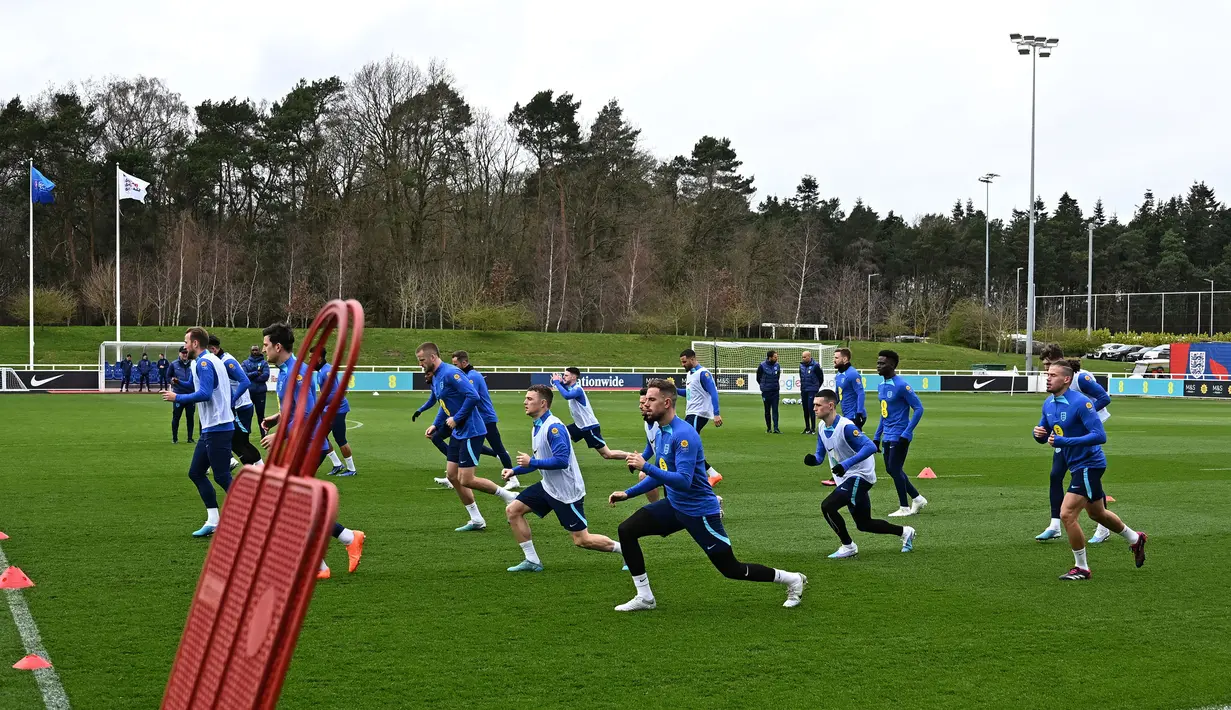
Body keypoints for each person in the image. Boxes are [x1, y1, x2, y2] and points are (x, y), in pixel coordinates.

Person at [608, 379, 806, 611]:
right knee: (627, 530)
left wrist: (645, 467)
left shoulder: (684, 435)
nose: (645, 405)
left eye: (651, 400)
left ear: (667, 402)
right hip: (675, 506)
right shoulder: (660, 431)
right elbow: (662, 474)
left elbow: (683, 481)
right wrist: (628, 494)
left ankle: (792, 579)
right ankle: (645, 597)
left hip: (699, 512)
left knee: (731, 569)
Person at [259, 322, 366, 580]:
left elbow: (307, 412)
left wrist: (280, 433)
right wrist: (277, 418)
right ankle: (344, 542)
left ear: (278, 346)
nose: (263, 351)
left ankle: (330, 555)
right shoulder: (286, 371)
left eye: (265, 346)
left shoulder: (298, 373)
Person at [1034, 361, 1147, 581]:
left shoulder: (1081, 403)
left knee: (1067, 514)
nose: (1048, 378)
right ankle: (1135, 538)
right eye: (1047, 374)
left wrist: (1065, 441)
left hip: (1088, 464)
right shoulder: (1048, 403)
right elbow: (1044, 434)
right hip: (1077, 463)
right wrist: (1037, 434)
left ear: (1066, 379)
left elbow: (1100, 436)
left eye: (1053, 375)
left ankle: (1082, 567)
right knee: (1097, 513)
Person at [500, 385, 624, 572]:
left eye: (529, 399)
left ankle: (626, 550)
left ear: (543, 403)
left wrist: (531, 462)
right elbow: (538, 461)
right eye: (525, 398)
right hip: (548, 486)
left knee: (582, 540)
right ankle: (532, 561)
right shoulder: (538, 425)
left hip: (567, 492)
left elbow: (561, 461)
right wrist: (515, 471)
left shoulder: (553, 427)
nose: (525, 402)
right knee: (513, 510)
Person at [417, 342, 518, 531]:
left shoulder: (449, 373)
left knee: (466, 479)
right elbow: (443, 403)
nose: (420, 364)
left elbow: (473, 396)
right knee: (452, 476)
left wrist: (456, 418)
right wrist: (436, 424)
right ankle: (476, 519)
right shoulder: (438, 376)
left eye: (422, 360)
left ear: (432, 357)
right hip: (459, 431)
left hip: (472, 430)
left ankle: (508, 496)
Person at [804, 390, 915, 558]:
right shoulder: (821, 427)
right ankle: (905, 532)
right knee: (864, 524)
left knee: (828, 506)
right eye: (814, 405)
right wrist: (813, 460)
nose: (814, 408)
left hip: (860, 475)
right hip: (846, 477)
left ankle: (848, 546)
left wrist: (846, 464)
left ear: (831, 406)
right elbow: (821, 454)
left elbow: (870, 446)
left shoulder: (846, 427)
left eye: (818, 405)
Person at [1036, 344, 1115, 543]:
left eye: (1048, 365)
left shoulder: (1081, 378)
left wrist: (1080, 417)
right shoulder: (1053, 391)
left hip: (1085, 434)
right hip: (1066, 434)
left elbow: (1104, 398)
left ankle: (1103, 526)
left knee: (1088, 476)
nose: (1046, 371)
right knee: (1056, 475)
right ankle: (1055, 525)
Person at [162, 328, 235, 538]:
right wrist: (179, 387)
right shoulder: (208, 361)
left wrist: (177, 398)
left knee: (222, 477)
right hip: (213, 427)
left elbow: (203, 394)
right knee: (196, 472)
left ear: (195, 343)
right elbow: (200, 388)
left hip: (218, 427)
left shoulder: (203, 363)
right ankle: (213, 520)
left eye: (186, 342)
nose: (184, 346)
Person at [874, 350, 928, 517]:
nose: (878, 366)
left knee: (895, 469)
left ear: (892, 365)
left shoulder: (901, 385)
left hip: (899, 435)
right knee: (891, 470)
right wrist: (877, 436)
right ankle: (917, 498)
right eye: (878, 363)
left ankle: (904, 507)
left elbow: (919, 408)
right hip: (887, 434)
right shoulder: (881, 385)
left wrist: (907, 432)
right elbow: (885, 414)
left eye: (882, 363)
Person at [454, 351, 518, 489]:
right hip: (476, 419)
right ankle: (454, 476)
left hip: (485, 418)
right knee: (462, 444)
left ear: (464, 363)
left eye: (456, 364)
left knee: (499, 448)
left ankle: (513, 479)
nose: (454, 368)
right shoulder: (466, 375)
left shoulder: (473, 376)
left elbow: (470, 397)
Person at [205, 335, 263, 473]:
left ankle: (253, 472)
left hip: (241, 407)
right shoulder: (219, 360)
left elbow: (245, 381)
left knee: (237, 443)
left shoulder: (227, 361)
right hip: (238, 408)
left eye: (206, 350)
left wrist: (232, 400)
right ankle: (261, 469)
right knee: (240, 443)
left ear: (213, 349)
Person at [551, 367, 631, 461]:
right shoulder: (572, 388)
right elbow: (566, 391)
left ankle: (635, 456)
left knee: (607, 454)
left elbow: (567, 396)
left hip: (589, 427)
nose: (563, 377)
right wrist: (560, 383)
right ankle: (560, 459)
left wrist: (557, 382)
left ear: (573, 377)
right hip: (579, 426)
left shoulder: (577, 389)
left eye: (566, 375)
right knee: (561, 434)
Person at [678, 350, 723, 486]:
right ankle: (711, 474)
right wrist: (672, 389)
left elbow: (713, 392)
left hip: (699, 414)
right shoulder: (690, 374)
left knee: (686, 443)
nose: (683, 364)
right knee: (687, 444)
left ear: (693, 359)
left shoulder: (703, 373)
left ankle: (702, 476)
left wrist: (716, 413)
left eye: (684, 361)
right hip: (691, 413)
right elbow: (689, 394)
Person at [828, 347, 867, 486]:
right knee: (846, 445)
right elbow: (837, 395)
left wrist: (859, 413)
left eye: (836, 357)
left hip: (854, 415)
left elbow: (861, 393)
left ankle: (844, 474)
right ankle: (847, 472)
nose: (834, 360)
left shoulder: (853, 374)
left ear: (845, 359)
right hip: (846, 415)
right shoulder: (838, 376)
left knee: (843, 444)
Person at [315, 346, 356, 477]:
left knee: (340, 438)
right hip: (329, 409)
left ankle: (351, 469)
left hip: (337, 409)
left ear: (319, 358)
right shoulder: (324, 370)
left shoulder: (326, 371)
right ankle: (337, 464)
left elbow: (332, 394)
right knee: (321, 436)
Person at [169, 347, 196, 443]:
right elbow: (168, 376)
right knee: (176, 417)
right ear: (179, 353)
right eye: (183, 353)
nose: (185, 354)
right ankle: (175, 438)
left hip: (190, 395)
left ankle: (190, 438)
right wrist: (172, 382)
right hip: (178, 394)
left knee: (190, 417)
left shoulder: (193, 364)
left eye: (186, 352)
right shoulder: (173, 364)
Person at [243, 345, 271, 424]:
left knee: (261, 416)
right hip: (249, 393)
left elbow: (265, 376)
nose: (255, 352)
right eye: (253, 350)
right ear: (250, 351)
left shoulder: (264, 363)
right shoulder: (245, 363)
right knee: (247, 416)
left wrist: (251, 377)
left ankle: (263, 435)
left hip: (260, 393)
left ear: (259, 351)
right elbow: (244, 375)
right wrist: (256, 373)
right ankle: (245, 436)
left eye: (256, 350)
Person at [756, 349, 782, 434]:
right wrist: (764, 385)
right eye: (775, 357)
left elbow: (778, 376)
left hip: (775, 391)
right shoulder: (762, 366)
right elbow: (758, 378)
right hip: (766, 391)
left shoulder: (777, 365)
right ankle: (768, 428)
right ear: (770, 357)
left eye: (777, 357)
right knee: (767, 410)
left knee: (775, 410)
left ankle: (776, 428)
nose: (776, 358)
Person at [798, 351, 824, 434]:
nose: (803, 358)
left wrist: (816, 387)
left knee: (811, 408)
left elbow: (821, 377)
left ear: (809, 357)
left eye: (805, 357)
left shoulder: (815, 365)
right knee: (805, 409)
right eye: (802, 357)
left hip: (812, 390)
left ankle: (813, 428)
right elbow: (801, 377)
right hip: (804, 389)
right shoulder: (801, 366)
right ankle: (807, 427)